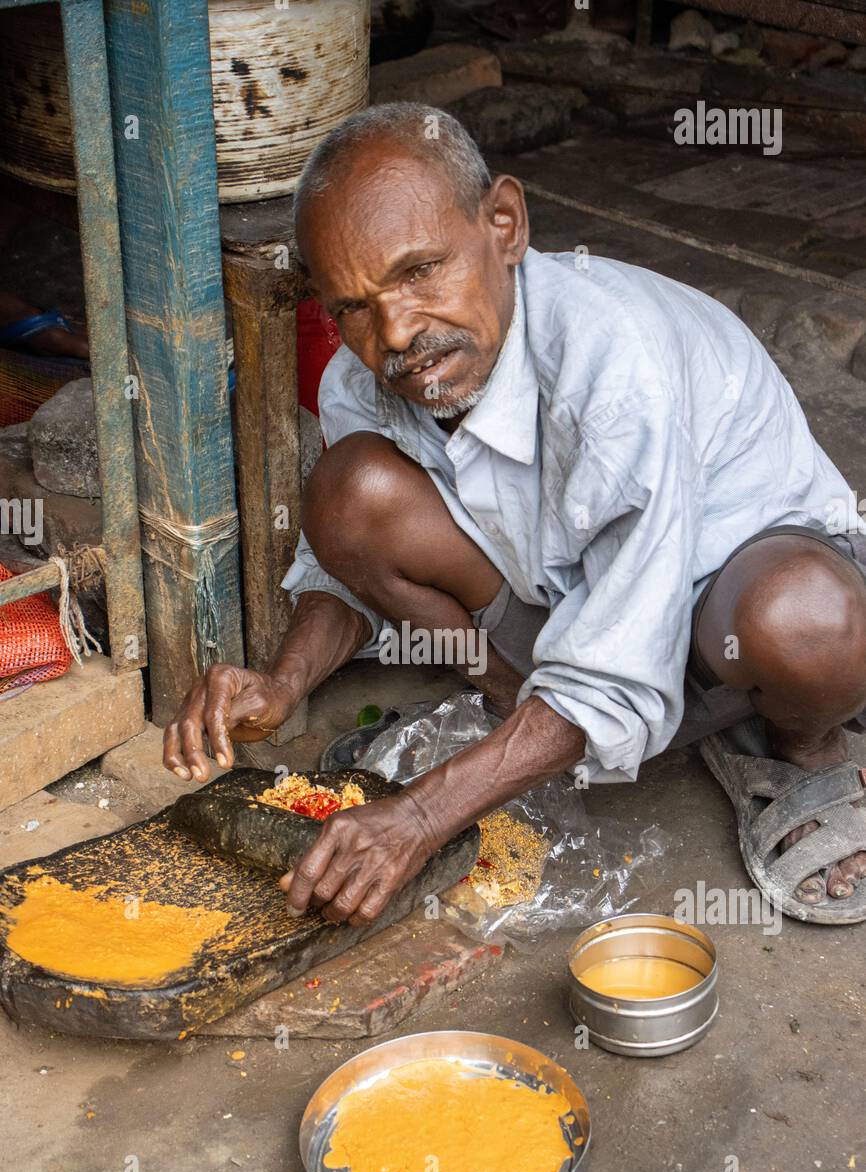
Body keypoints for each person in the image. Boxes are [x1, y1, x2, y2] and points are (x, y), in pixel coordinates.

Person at [164, 103, 866, 926]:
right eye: (353, 306)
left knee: (805, 621)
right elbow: (344, 558)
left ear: (504, 223)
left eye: (420, 270)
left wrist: (422, 816)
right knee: (350, 490)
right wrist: (285, 682)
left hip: (728, 612)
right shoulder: (369, 377)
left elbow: (619, 656)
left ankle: (804, 750)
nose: (397, 331)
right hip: (568, 601)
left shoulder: (612, 362)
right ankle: (518, 716)